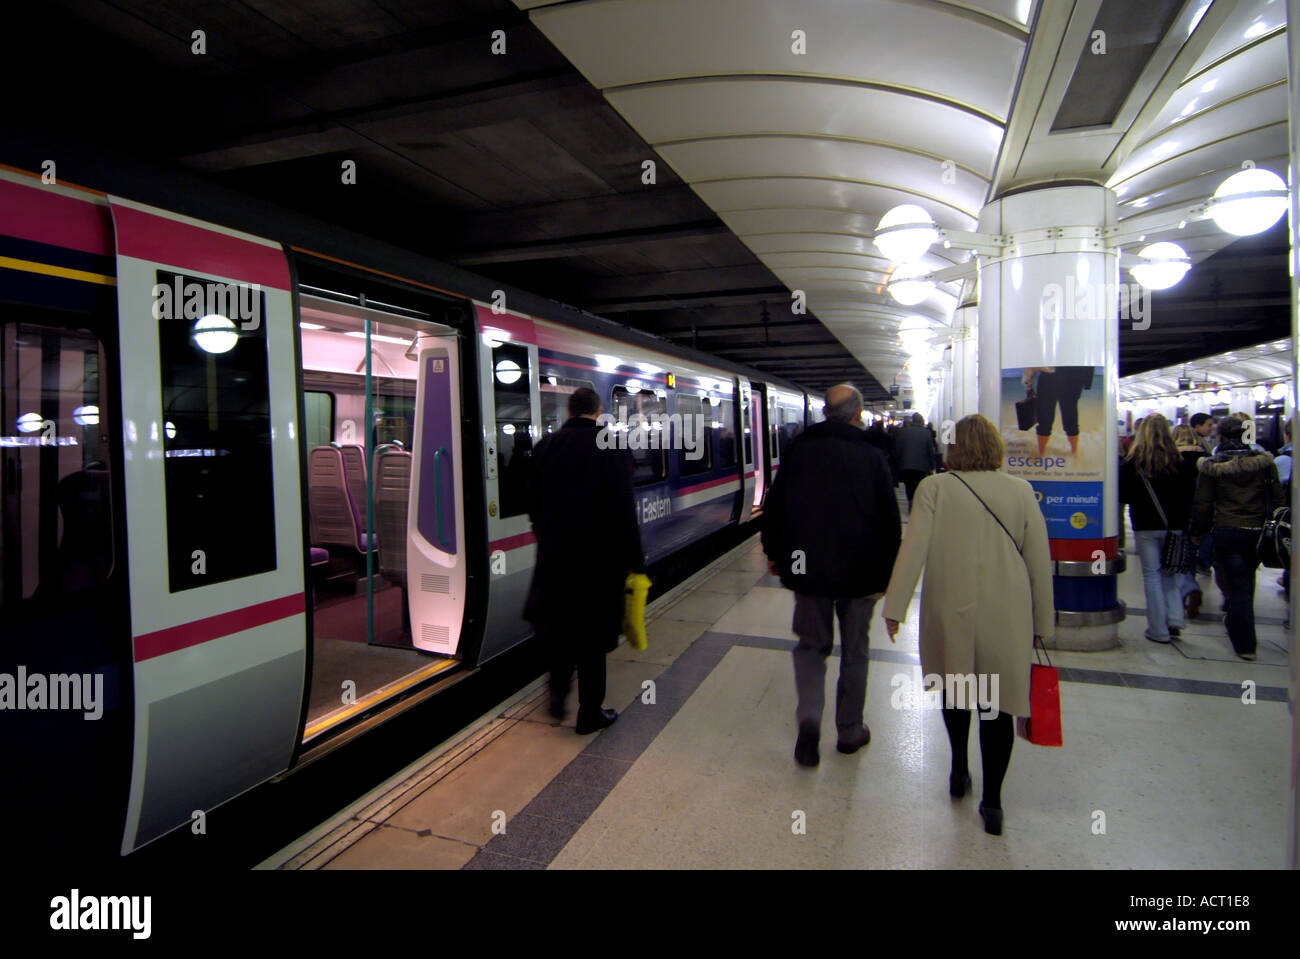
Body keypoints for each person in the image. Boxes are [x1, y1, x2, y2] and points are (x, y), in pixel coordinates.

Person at [882, 414, 1054, 836]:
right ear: (996, 447)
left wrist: (895, 606)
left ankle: (959, 768)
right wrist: (1042, 622)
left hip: (949, 606)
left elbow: (913, 549)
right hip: (1007, 611)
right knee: (996, 703)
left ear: (952, 447)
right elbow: (1038, 562)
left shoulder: (933, 489)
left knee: (957, 689)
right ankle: (993, 801)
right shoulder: (1021, 491)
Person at [761, 384, 901, 767]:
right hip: (861, 572)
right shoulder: (872, 454)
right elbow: (890, 521)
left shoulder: (800, 449)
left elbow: (777, 506)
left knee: (810, 647)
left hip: (809, 569)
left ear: (826, 412)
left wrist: (775, 553)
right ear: (857, 414)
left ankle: (809, 723)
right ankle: (850, 731)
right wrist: (889, 572)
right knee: (855, 650)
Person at [526, 387, 645, 733]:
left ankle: (557, 695)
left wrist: (547, 536)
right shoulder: (612, 448)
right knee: (592, 639)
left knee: (560, 628)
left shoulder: (545, 447)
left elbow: (532, 502)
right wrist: (635, 562)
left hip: (556, 560)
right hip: (600, 562)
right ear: (598, 411)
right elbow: (625, 511)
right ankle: (589, 713)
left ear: (568, 410)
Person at [1190, 414, 1284, 661]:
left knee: (1236, 584)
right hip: (1256, 531)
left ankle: (1244, 642)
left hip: (1226, 530)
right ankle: (1238, 627)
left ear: (1221, 436)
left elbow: (1203, 503)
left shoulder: (1212, 467)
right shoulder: (1264, 464)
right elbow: (1278, 498)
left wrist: (1197, 532)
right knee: (1246, 582)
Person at [1119, 416, 1199, 642]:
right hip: (1174, 525)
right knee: (1170, 573)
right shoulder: (1179, 462)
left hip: (1145, 525)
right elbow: (1188, 495)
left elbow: (1123, 496)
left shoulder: (1133, 463)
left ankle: (1158, 629)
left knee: (1152, 575)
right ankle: (1175, 618)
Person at [1173, 423, 1209, 619]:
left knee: (1177, 559)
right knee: (1192, 555)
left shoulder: (1172, 460)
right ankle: (1191, 585)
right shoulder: (1205, 460)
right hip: (1199, 515)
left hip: (1177, 515)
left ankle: (1186, 589)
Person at [1024, 366, 1093, 456]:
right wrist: (1087, 380)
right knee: (1069, 417)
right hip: (1071, 377)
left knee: (1046, 419)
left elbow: (1033, 362)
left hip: (1052, 377)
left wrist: (1028, 384)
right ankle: (1074, 453)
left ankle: (1042, 453)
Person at [894, 412, 939, 509]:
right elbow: (930, 451)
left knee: (909, 487)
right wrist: (932, 466)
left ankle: (911, 502)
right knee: (920, 487)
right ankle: (917, 505)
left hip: (906, 466)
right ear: (921, 421)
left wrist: (898, 464)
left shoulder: (903, 432)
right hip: (921, 467)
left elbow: (898, 450)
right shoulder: (926, 433)